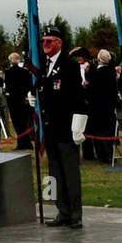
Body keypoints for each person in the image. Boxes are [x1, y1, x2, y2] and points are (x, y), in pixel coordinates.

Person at [39, 26, 87, 228]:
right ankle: (62, 210)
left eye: (49, 41)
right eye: (43, 41)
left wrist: (78, 125)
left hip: (65, 126)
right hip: (48, 127)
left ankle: (75, 213)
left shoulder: (69, 65)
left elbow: (77, 98)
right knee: (54, 172)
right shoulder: (40, 65)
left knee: (70, 172)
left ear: (59, 43)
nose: (45, 45)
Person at [85, 49, 120, 162]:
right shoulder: (111, 72)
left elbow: (90, 89)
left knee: (98, 131)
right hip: (109, 106)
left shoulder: (95, 73)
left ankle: (102, 155)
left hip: (96, 106)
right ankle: (109, 154)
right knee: (108, 130)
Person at [3, 52, 34, 150]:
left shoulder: (8, 72)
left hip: (13, 100)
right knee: (24, 122)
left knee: (17, 122)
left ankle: (22, 143)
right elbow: (29, 84)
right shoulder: (25, 72)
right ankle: (26, 142)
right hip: (24, 99)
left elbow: (8, 87)